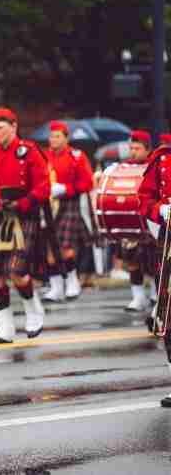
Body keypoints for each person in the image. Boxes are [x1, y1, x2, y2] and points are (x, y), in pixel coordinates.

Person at [0, 108, 50, 343]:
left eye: (0, 128)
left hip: (24, 216)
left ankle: (33, 311)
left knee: (17, 272)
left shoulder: (29, 151)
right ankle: (5, 326)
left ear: (14, 127)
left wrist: (22, 203)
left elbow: (44, 188)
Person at [41, 121, 95, 302]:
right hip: (48, 205)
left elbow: (87, 183)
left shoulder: (77, 156)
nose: (53, 140)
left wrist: (65, 188)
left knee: (66, 248)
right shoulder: (43, 156)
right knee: (50, 248)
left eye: (57, 136)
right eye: (51, 136)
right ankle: (56, 288)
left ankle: (73, 282)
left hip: (69, 203)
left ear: (66, 138)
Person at [137, 132, 171, 407]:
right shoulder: (161, 158)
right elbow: (144, 198)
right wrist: (160, 209)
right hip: (170, 237)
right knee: (170, 309)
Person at [121, 130, 157, 313]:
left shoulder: (155, 165)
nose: (133, 152)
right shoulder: (125, 167)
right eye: (131, 148)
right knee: (132, 259)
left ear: (147, 149)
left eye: (137, 148)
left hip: (150, 220)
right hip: (131, 220)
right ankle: (138, 297)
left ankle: (156, 296)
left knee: (153, 261)